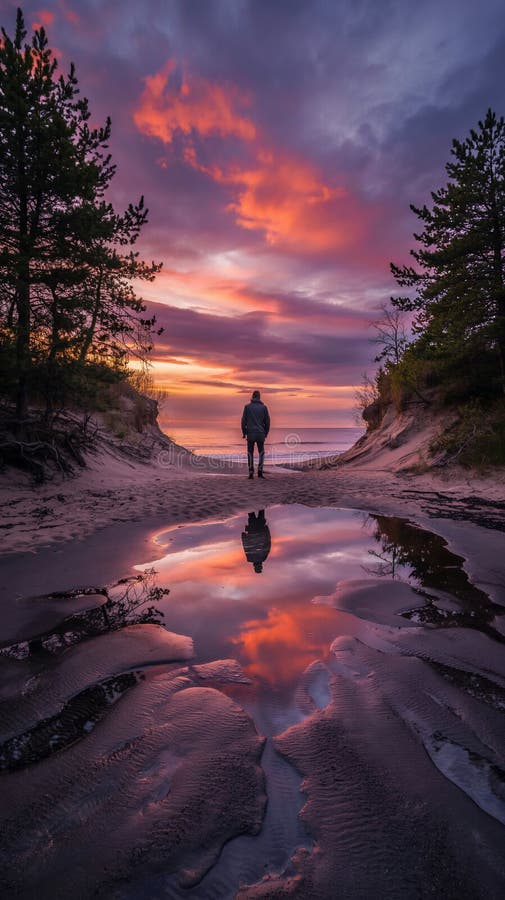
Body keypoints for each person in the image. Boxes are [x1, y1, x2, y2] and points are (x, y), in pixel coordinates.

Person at [241, 389, 270, 478]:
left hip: (250, 433)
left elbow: (243, 421)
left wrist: (244, 432)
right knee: (261, 452)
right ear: (259, 397)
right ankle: (260, 472)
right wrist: (266, 433)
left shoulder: (247, 407)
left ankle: (251, 472)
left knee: (250, 452)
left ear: (252, 396)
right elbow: (267, 421)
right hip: (260, 433)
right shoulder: (264, 408)